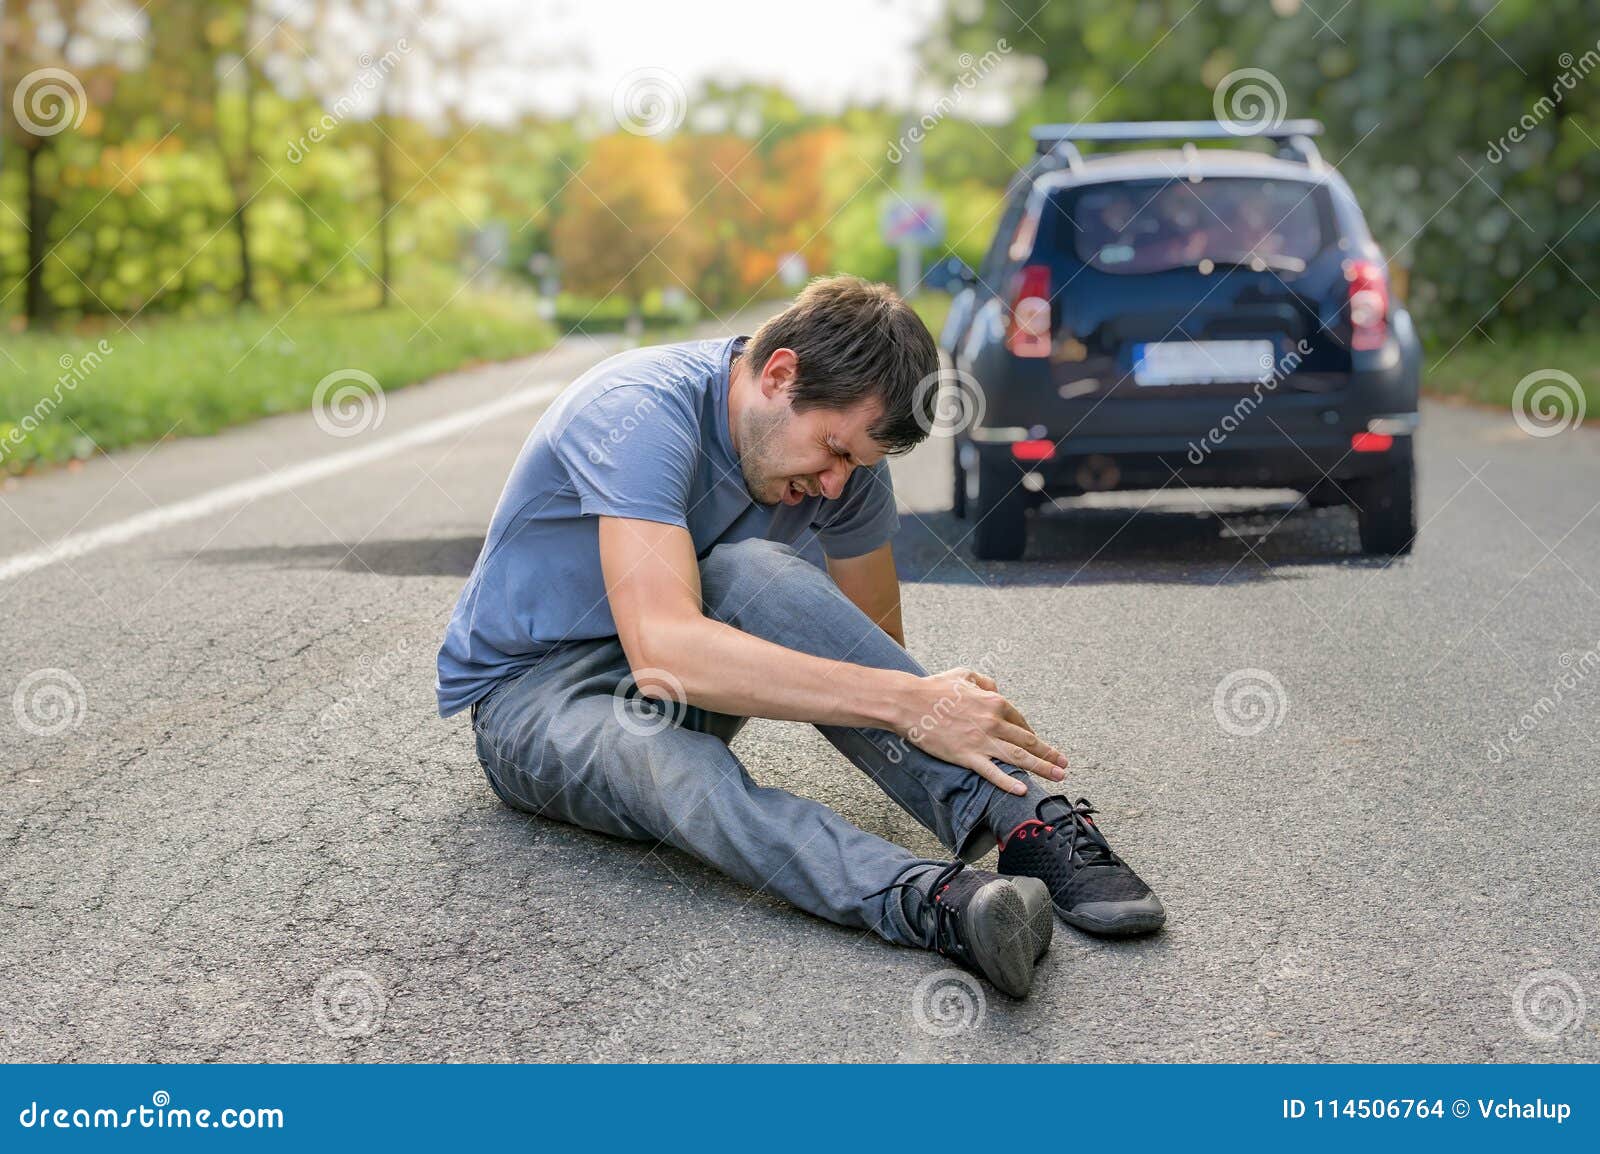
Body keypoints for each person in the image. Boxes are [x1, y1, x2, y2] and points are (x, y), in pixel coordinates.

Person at [437, 276, 1164, 998]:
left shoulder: (842, 467)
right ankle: (935, 901)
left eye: (857, 464)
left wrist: (925, 709)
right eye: (834, 450)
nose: (838, 484)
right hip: (534, 698)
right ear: (780, 374)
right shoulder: (636, 411)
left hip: (686, 676)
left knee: (754, 570)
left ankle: (1026, 822)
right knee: (671, 764)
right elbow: (663, 650)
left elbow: (868, 645)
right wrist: (907, 700)